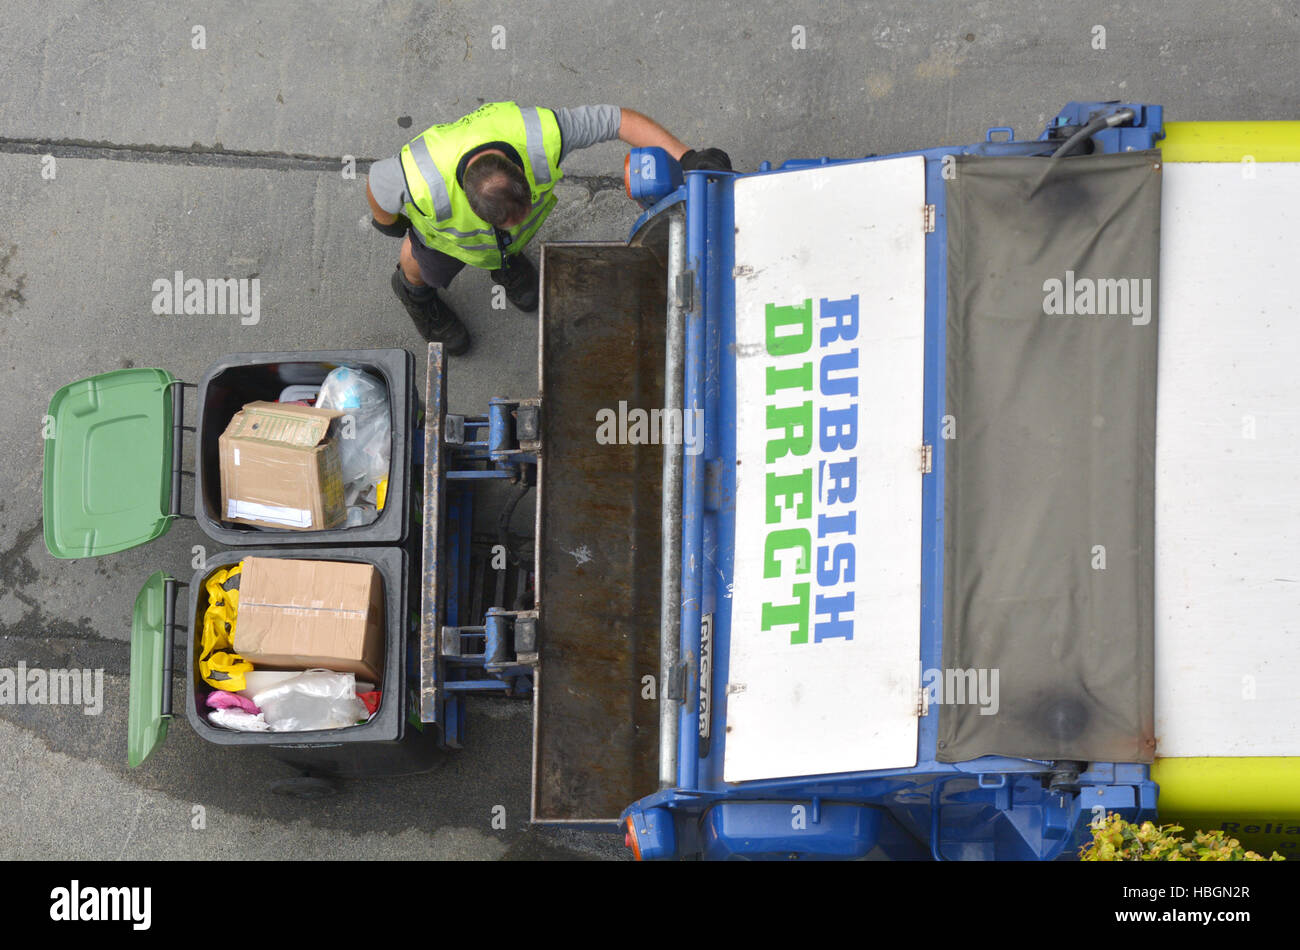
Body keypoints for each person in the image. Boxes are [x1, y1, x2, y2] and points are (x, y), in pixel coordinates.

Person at [366, 102, 731, 354]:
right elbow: (376, 184)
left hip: (498, 244)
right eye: (507, 221)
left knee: (507, 247)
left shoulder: (540, 135)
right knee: (421, 264)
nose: (522, 219)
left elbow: (618, 120)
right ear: (475, 208)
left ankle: (505, 263)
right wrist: (391, 225)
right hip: (445, 243)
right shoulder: (421, 176)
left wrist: (687, 157)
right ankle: (414, 295)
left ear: (517, 171)